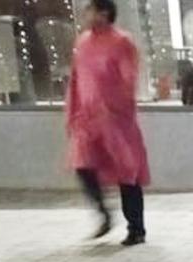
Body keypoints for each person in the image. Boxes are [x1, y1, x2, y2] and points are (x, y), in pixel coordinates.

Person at [66, 0, 150, 246]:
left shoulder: (122, 41)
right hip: (87, 119)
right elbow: (75, 80)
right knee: (82, 165)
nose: (86, 15)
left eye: (90, 10)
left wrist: (115, 106)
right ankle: (103, 213)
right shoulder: (82, 42)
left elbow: (128, 79)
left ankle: (136, 227)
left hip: (116, 120)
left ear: (104, 13)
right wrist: (72, 112)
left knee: (128, 173)